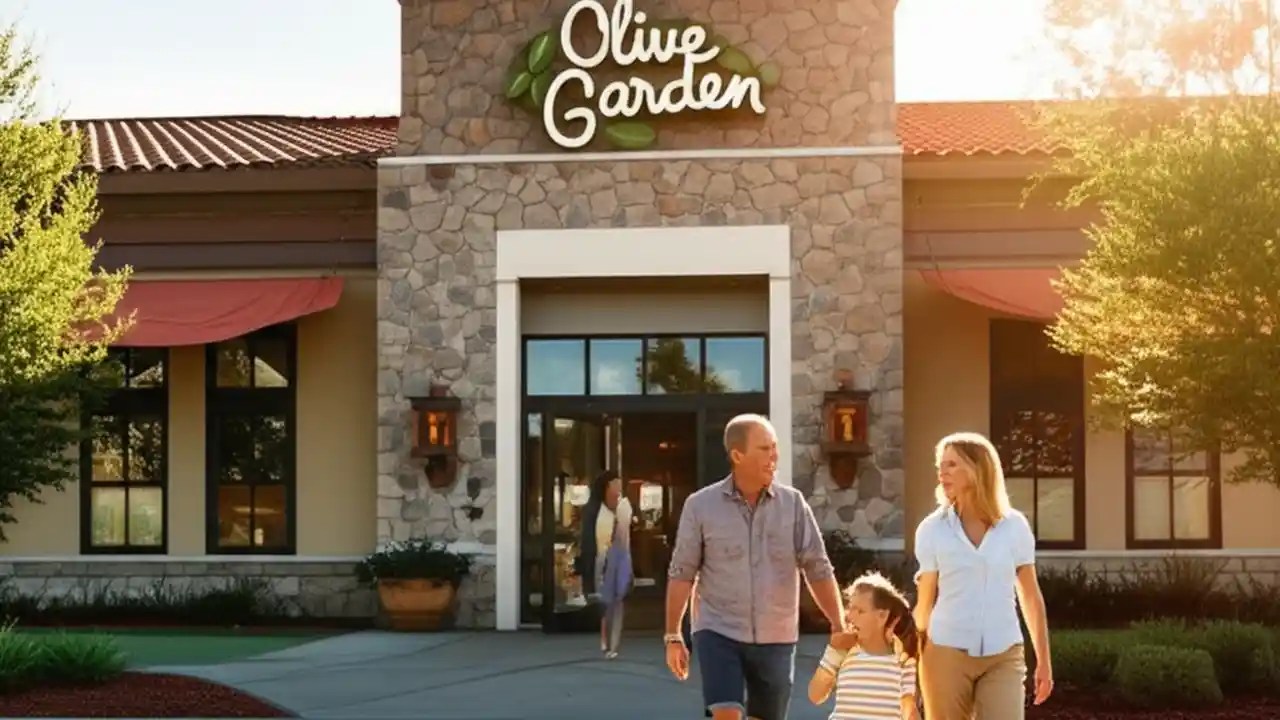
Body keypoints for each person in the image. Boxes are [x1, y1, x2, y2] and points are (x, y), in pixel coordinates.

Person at [664, 413, 847, 720]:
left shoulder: (793, 504)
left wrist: (839, 624)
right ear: (737, 455)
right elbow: (682, 571)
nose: (774, 456)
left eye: (774, 447)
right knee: (727, 714)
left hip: (777, 636)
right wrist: (673, 635)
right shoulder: (700, 506)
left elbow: (817, 567)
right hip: (718, 630)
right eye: (765, 448)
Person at [912, 432, 1054, 719]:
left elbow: (1029, 595)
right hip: (945, 653)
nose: (942, 472)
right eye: (940, 464)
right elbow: (924, 605)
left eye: (952, 464)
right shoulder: (931, 529)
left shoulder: (1015, 527)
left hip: (1003, 654)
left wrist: (1044, 661)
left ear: (978, 469)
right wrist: (910, 666)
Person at [807, 571, 921, 720]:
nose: (850, 617)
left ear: (882, 616)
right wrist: (832, 653)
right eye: (850, 608)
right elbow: (815, 696)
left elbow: (909, 710)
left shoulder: (903, 660)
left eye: (860, 611)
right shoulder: (844, 652)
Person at [598, 473, 633, 658]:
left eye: (618, 484)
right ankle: (606, 642)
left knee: (616, 602)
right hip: (607, 559)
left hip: (618, 558)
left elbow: (622, 536)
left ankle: (613, 645)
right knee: (607, 604)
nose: (616, 488)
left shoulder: (623, 507)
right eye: (613, 484)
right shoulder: (602, 509)